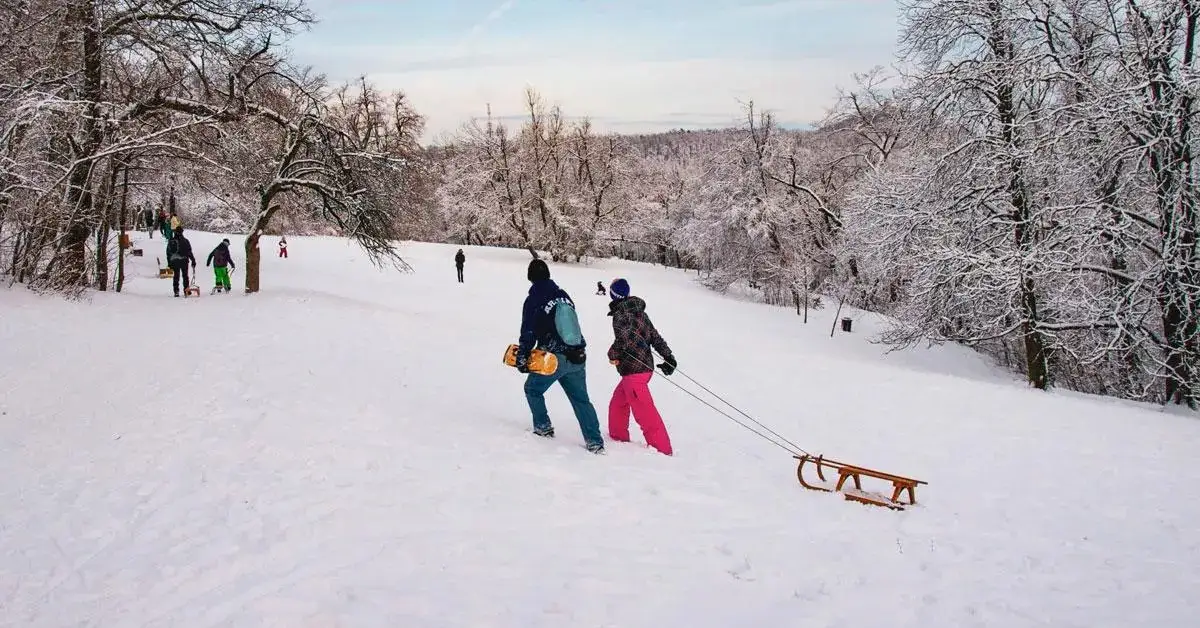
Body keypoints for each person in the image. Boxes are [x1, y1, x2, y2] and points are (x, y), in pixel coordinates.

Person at [516, 258, 605, 453]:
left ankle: (543, 427)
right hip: (577, 354)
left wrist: (522, 356)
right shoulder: (563, 295)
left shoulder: (533, 300)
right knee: (581, 399)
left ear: (530, 277)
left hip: (554, 358)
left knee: (532, 389)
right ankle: (595, 441)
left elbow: (528, 332)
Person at [606, 278, 678, 456]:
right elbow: (654, 336)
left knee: (645, 413)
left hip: (635, 372)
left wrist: (612, 354)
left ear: (613, 294)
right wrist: (668, 356)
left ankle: (663, 450)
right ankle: (617, 438)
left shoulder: (620, 314)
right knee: (618, 403)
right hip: (643, 368)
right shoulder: (640, 313)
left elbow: (623, 340)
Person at [166, 226, 197, 297]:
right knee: (185, 276)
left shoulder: (171, 241)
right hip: (184, 261)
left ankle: (176, 291)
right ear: (182, 232)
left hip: (174, 261)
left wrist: (169, 262)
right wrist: (193, 260)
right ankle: (186, 290)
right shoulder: (185, 241)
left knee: (176, 276)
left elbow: (168, 252)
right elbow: (189, 252)